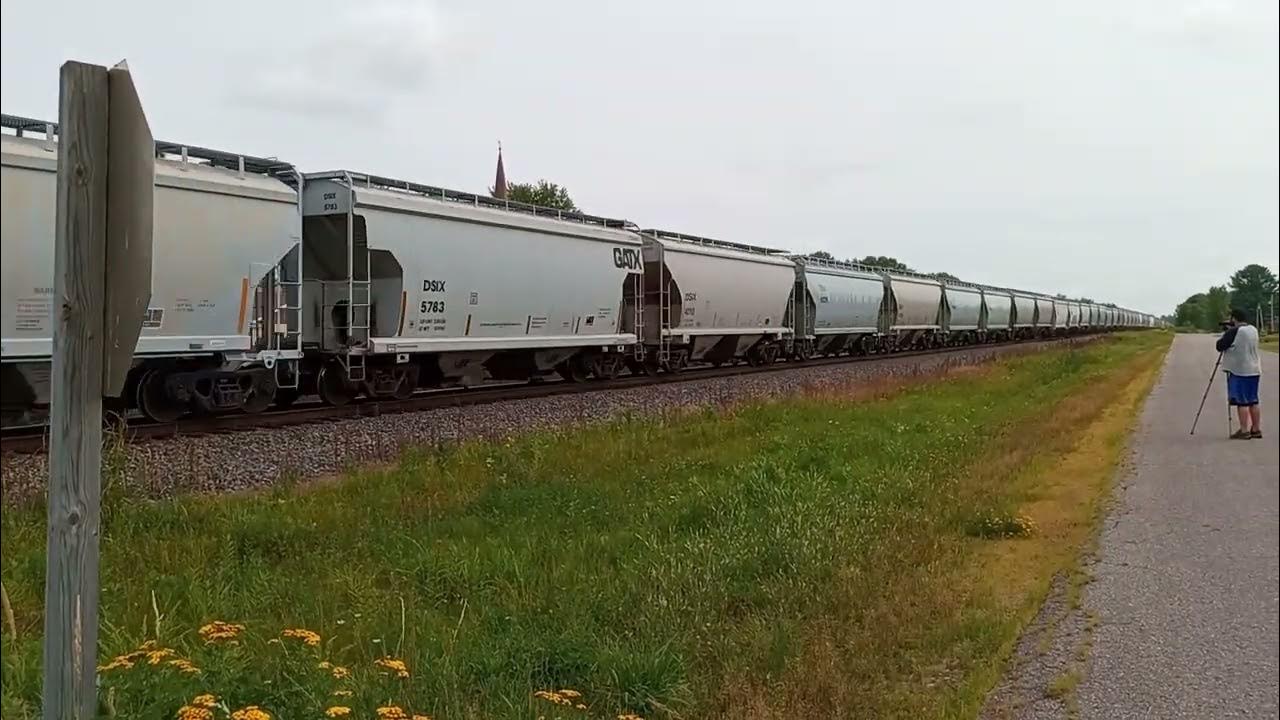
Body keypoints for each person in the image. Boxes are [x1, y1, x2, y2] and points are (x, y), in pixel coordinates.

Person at [1216, 307, 1262, 439]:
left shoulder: (1235, 331)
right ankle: (1256, 429)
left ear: (1234, 319)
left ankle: (1244, 430)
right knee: (1253, 400)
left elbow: (1220, 346)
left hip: (1240, 371)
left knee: (1242, 402)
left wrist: (1226, 333)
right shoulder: (1253, 329)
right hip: (1254, 369)